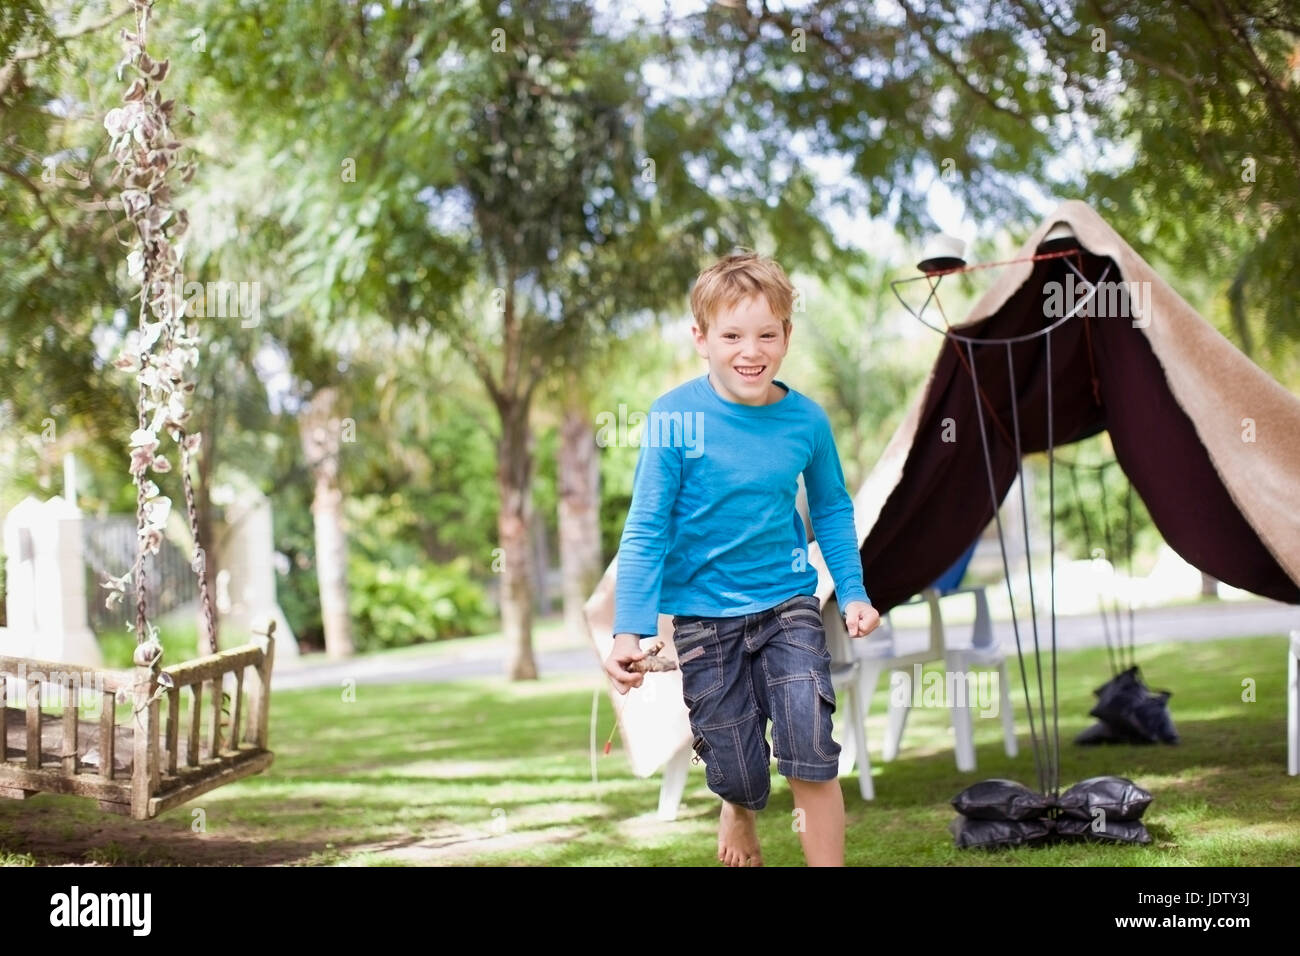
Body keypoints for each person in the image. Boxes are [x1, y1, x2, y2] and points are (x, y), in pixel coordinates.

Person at [603, 250, 881, 867]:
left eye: (766, 333)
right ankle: (738, 805)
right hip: (704, 615)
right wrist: (631, 629)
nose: (749, 350)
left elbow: (832, 509)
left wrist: (854, 591)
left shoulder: (806, 420)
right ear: (701, 339)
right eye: (731, 334)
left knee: (810, 740)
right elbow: (647, 525)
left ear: (787, 335)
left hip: (788, 603)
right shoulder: (674, 418)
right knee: (736, 761)